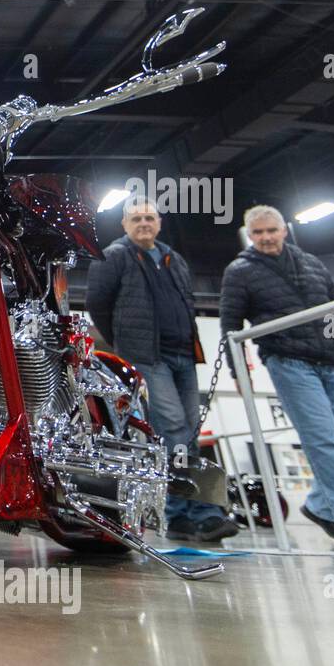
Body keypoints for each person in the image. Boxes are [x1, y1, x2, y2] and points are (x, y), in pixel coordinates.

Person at [220, 205, 334, 545]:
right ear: (250, 235)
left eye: (271, 230)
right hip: (289, 362)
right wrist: (239, 371)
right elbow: (230, 326)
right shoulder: (239, 271)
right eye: (258, 232)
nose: (266, 237)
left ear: (284, 230)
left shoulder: (312, 264)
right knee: (323, 440)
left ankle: (319, 505)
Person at [85, 196, 238, 542]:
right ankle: (204, 513)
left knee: (189, 433)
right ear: (124, 224)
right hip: (149, 357)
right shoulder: (114, 256)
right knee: (174, 429)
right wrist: (125, 343)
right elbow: (97, 304)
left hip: (184, 355)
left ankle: (177, 512)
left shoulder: (174, 259)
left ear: (159, 223)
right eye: (136, 218)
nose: (143, 223)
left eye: (149, 218)